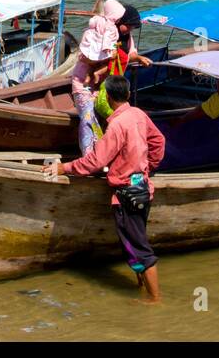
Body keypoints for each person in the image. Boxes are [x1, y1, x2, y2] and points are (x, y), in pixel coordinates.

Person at [43, 75, 165, 302]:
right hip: (143, 189)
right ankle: (142, 289)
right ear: (127, 95)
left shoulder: (117, 125)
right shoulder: (138, 114)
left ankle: (155, 301)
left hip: (127, 193)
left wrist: (64, 168)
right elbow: (159, 141)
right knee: (134, 244)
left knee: (139, 249)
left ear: (108, 98)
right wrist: (150, 167)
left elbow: (95, 162)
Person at [69, 0, 152, 155]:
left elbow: (129, 55)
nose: (130, 29)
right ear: (119, 20)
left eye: (133, 27)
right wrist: (107, 56)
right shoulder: (100, 32)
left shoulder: (126, 37)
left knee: (111, 118)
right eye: (129, 25)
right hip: (84, 84)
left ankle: (107, 151)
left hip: (106, 86)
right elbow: (85, 56)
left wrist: (139, 58)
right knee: (88, 118)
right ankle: (89, 156)